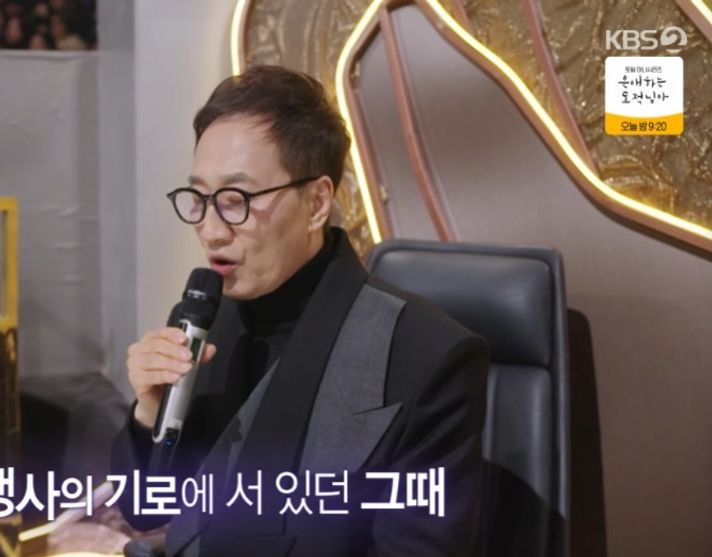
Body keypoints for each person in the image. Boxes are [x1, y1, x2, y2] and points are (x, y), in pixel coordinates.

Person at [110, 65, 489, 556]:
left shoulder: (425, 358)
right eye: (199, 198)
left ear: (316, 203)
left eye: (235, 199)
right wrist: (150, 414)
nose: (211, 230)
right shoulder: (205, 321)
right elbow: (146, 510)